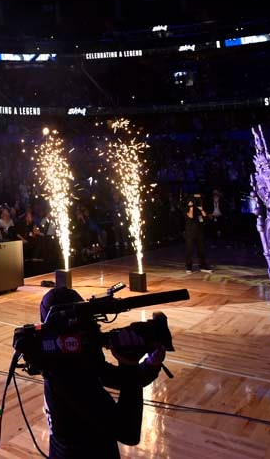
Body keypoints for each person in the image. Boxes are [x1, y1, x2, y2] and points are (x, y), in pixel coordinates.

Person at [39, 287, 167, 459]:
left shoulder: (68, 359)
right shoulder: (65, 375)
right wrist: (129, 364)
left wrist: (150, 365)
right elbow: (128, 432)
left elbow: (120, 379)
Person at [184, 193, 212, 273]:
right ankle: (188, 267)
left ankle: (203, 266)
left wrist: (202, 209)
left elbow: (205, 217)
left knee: (201, 251)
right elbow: (190, 216)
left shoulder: (199, 210)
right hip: (190, 234)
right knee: (190, 251)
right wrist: (191, 207)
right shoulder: (186, 208)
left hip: (199, 233)